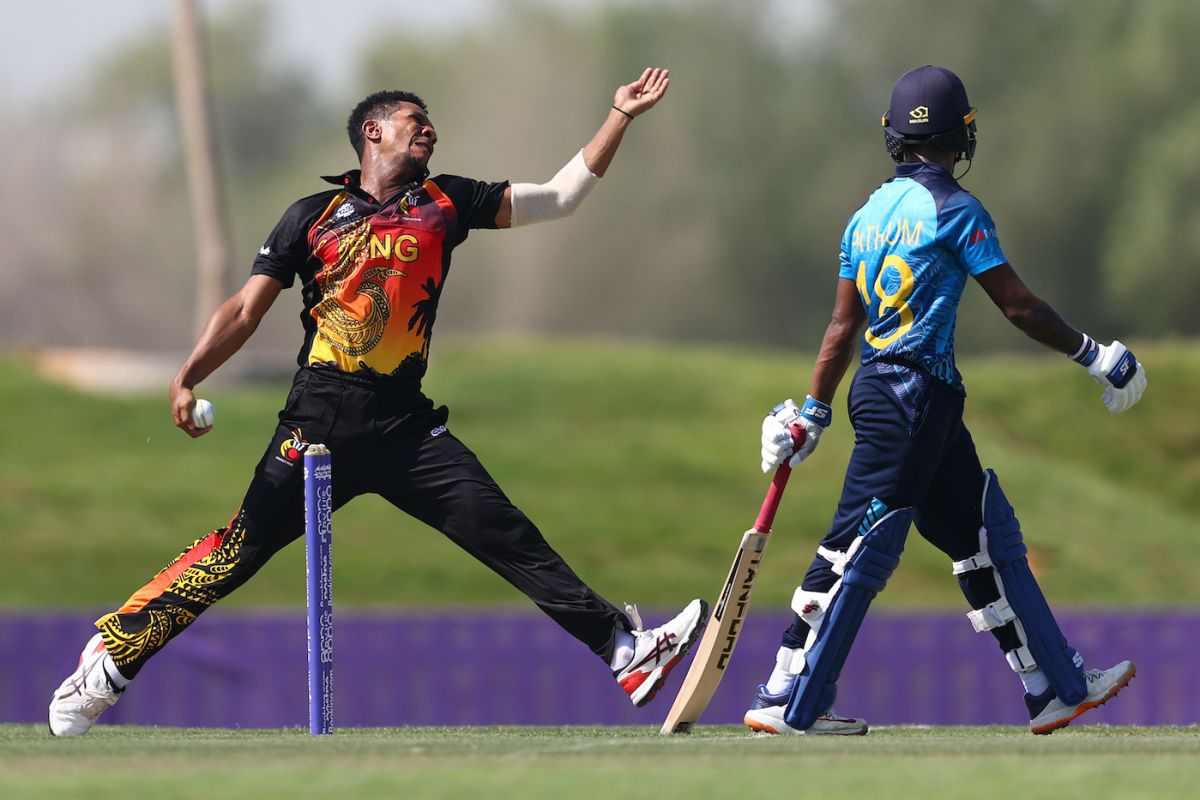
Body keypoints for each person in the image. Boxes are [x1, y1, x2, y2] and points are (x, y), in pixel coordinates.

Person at [49, 67, 707, 736]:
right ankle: (111, 656)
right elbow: (247, 310)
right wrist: (188, 376)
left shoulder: (447, 201)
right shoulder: (311, 215)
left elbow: (561, 197)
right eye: (414, 120)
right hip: (319, 419)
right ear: (373, 131)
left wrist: (618, 116)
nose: (430, 130)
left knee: (504, 531)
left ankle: (624, 651)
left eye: (432, 125)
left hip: (404, 425)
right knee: (236, 553)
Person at [744, 65, 1146, 737]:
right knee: (858, 543)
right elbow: (1017, 306)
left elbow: (843, 327)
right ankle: (790, 695)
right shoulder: (958, 210)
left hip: (895, 394)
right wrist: (1094, 355)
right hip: (914, 399)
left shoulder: (865, 215)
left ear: (894, 136)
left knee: (983, 534)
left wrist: (814, 409)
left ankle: (1054, 686)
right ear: (962, 133)